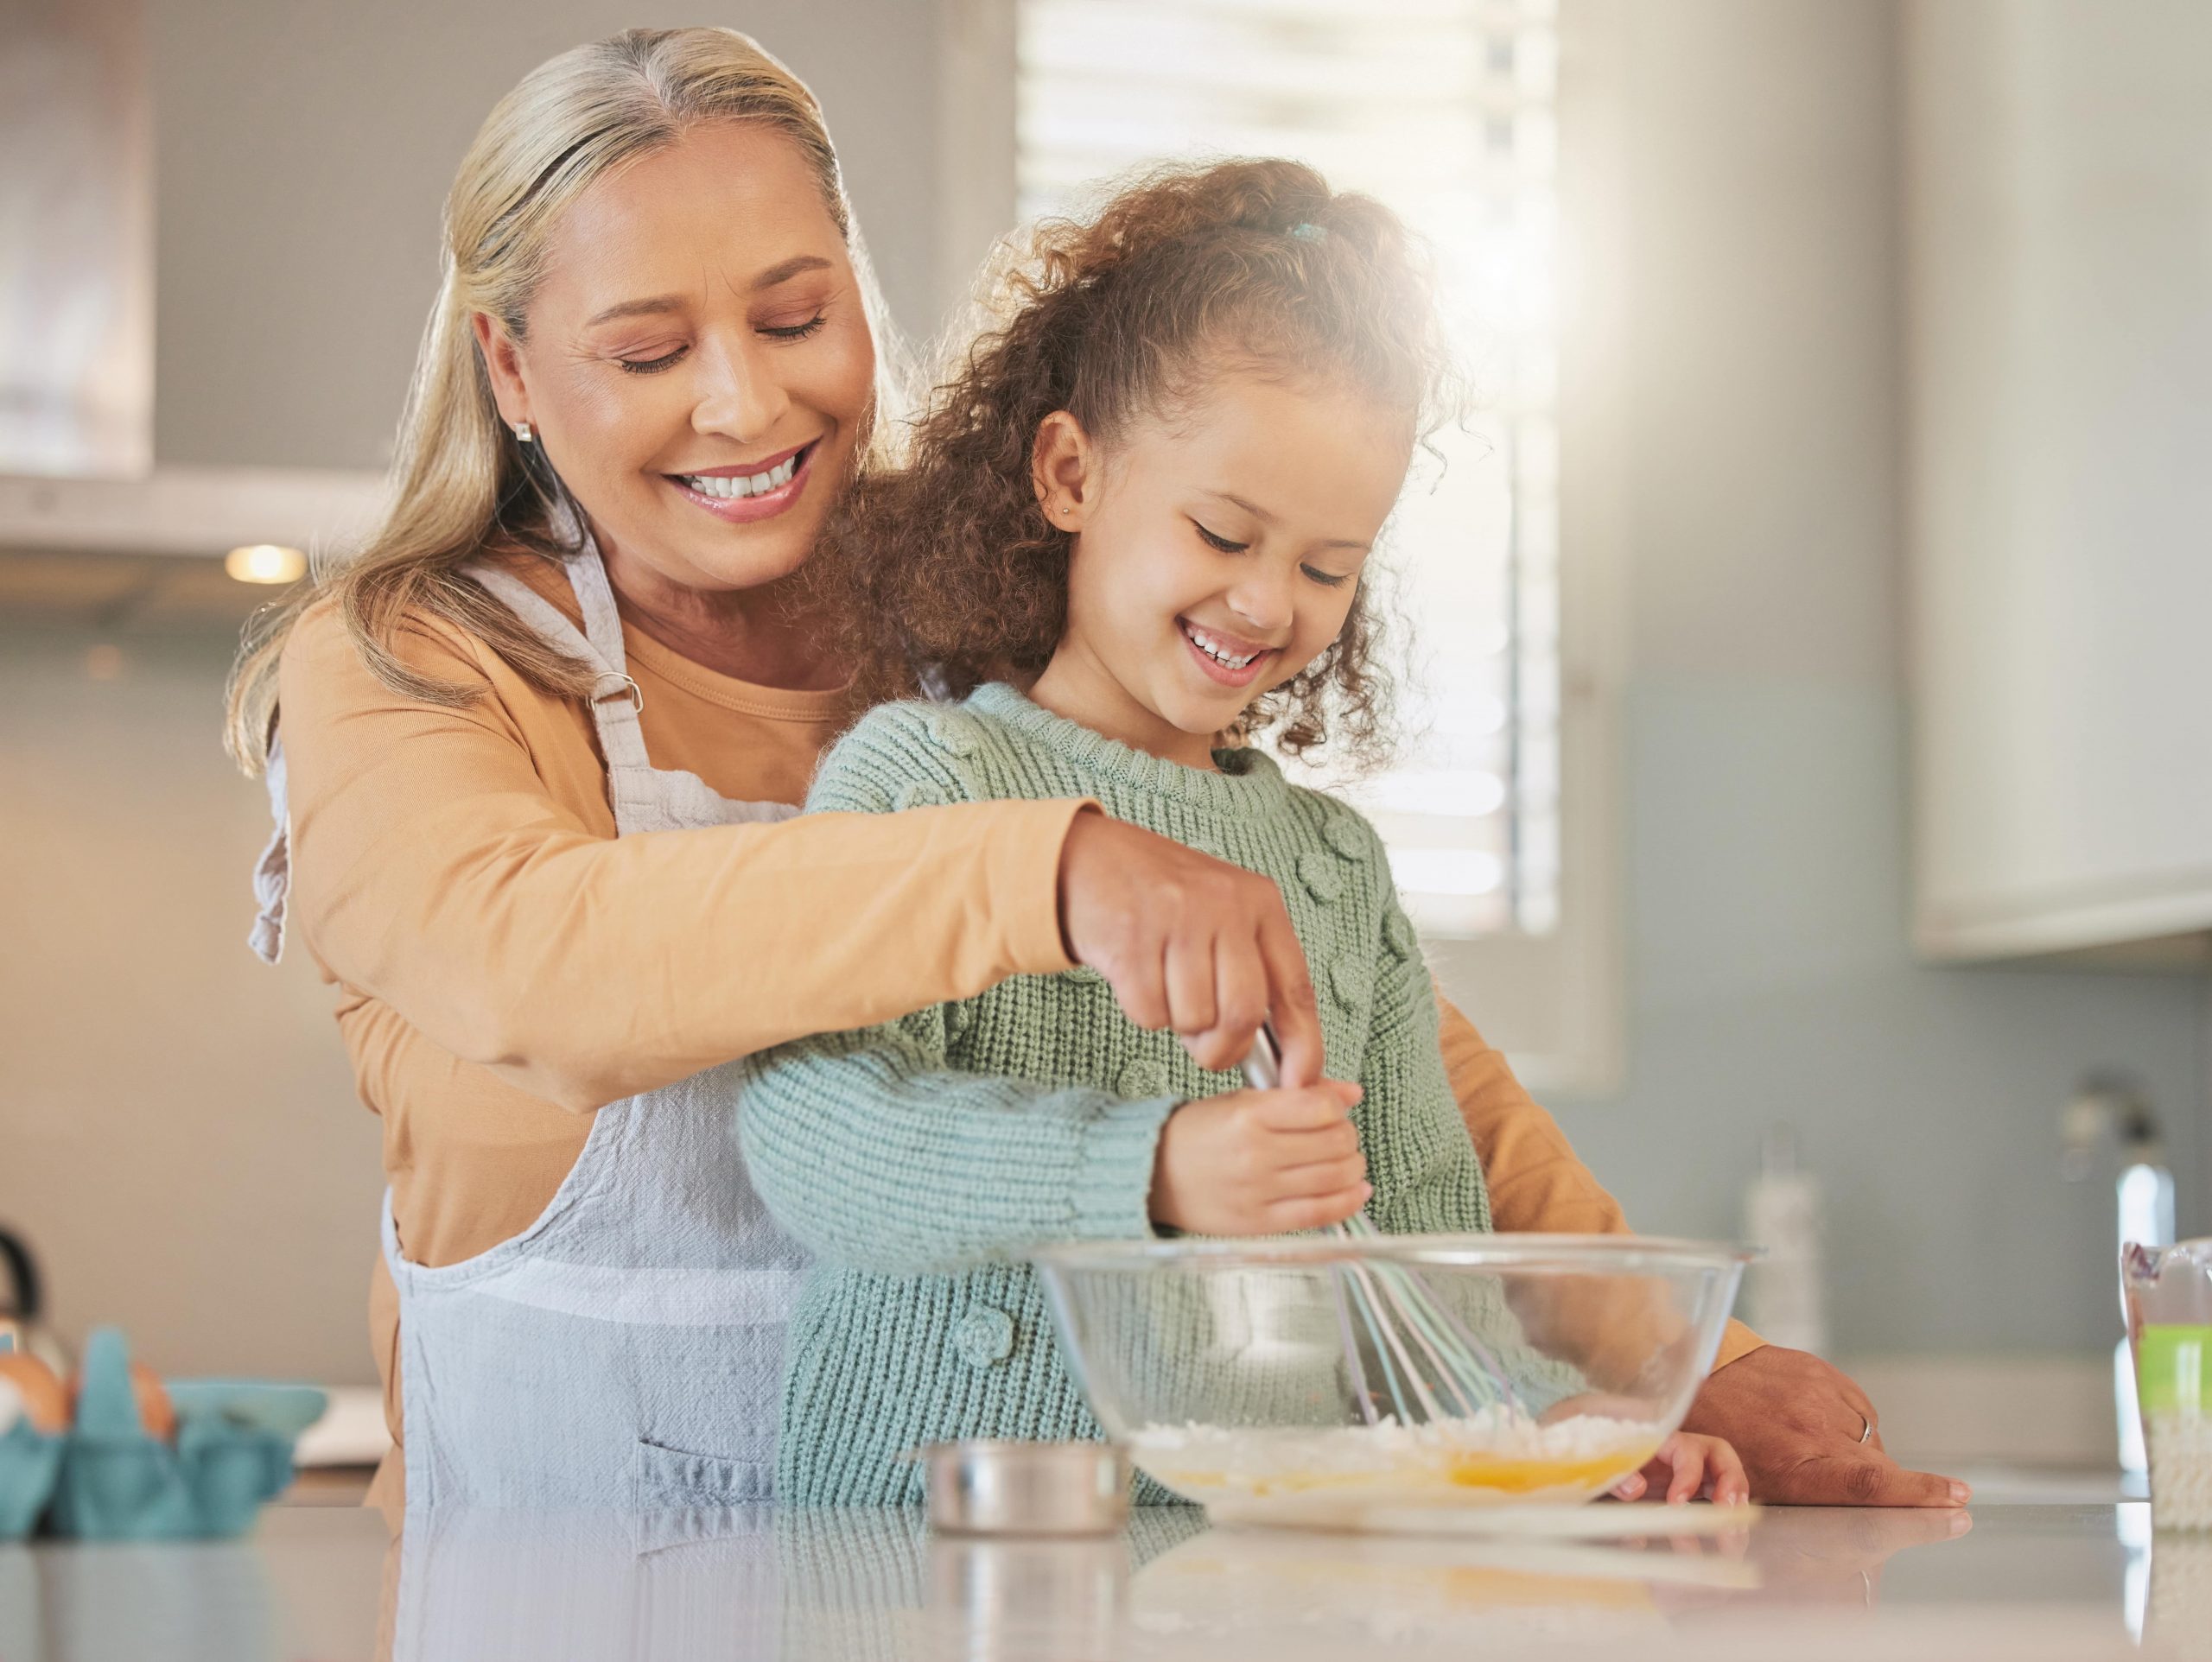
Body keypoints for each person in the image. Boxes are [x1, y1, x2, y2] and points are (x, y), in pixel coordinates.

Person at [226, 25, 1961, 1513]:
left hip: (1001, 1572)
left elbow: (1366, 1031)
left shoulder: (979, 604)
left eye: (794, 311)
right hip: (556, 1590)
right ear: (513, 367)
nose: (747, 404)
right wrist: (1049, 866)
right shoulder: (405, 664)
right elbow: (541, 967)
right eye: (649, 350)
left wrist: (1669, 1367)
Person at [738, 157, 1750, 1509]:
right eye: (1224, 532)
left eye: (1330, 566)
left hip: (1250, 1566)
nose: (1270, 602)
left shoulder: (1333, 867)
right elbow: (814, 1141)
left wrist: (1563, 1438)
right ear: (1068, 473)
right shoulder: (923, 777)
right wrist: (1147, 1167)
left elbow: (1424, 1245)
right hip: (919, 1556)